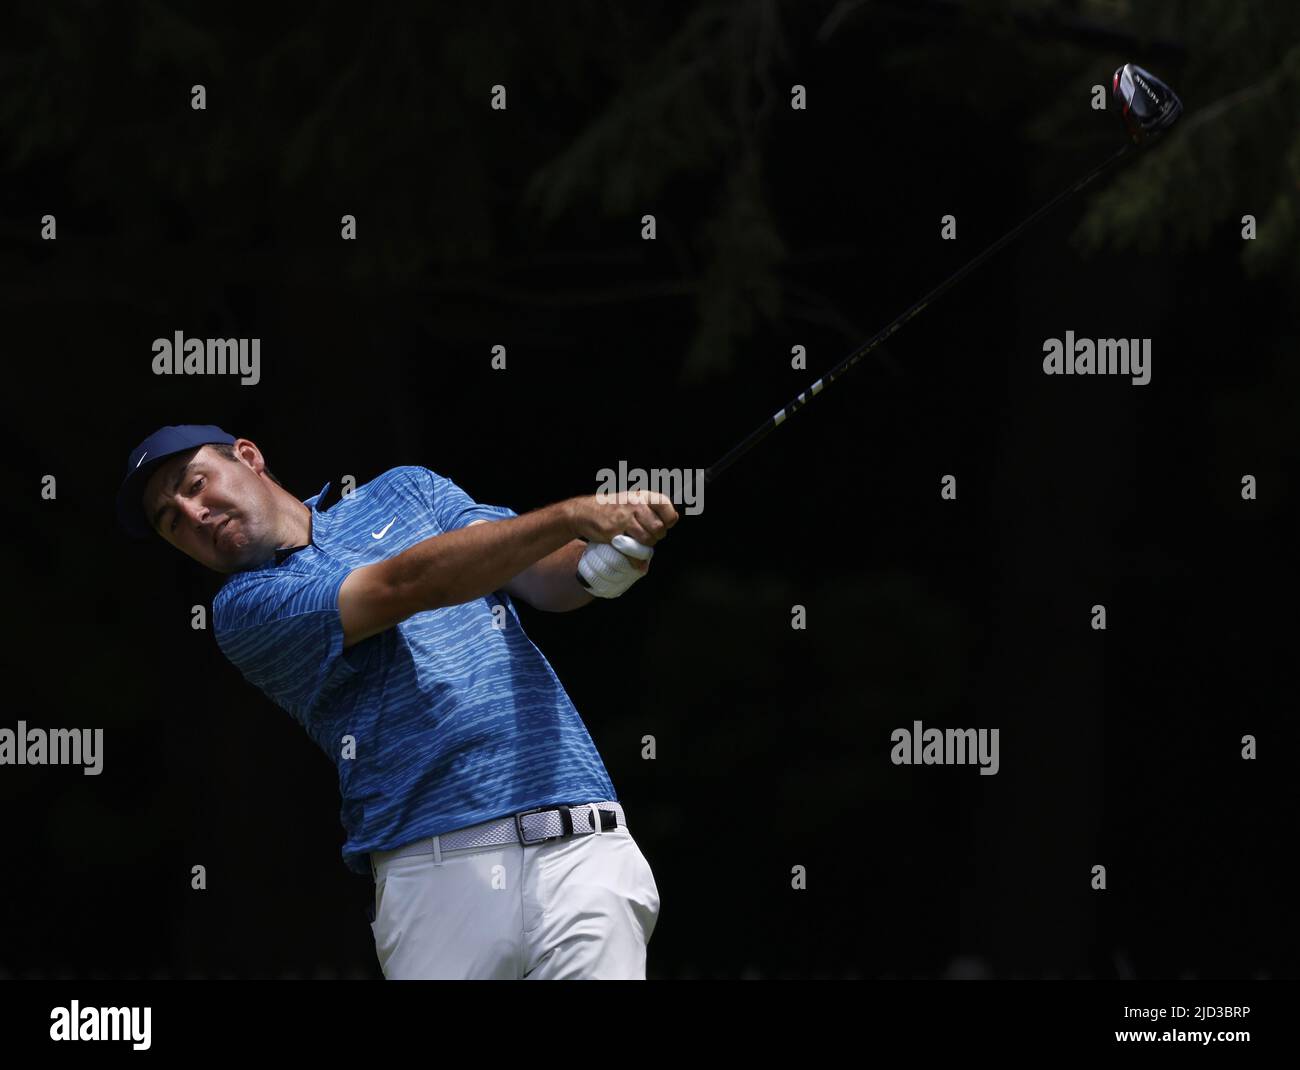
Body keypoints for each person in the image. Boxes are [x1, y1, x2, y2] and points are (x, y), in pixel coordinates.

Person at [116, 424, 677, 979]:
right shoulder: (246, 611)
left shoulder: (407, 490)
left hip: (580, 846)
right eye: (172, 522)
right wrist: (572, 515)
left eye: (194, 485)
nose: (193, 516)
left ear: (248, 456)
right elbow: (406, 586)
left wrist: (600, 565)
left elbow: (537, 573)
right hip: (437, 880)